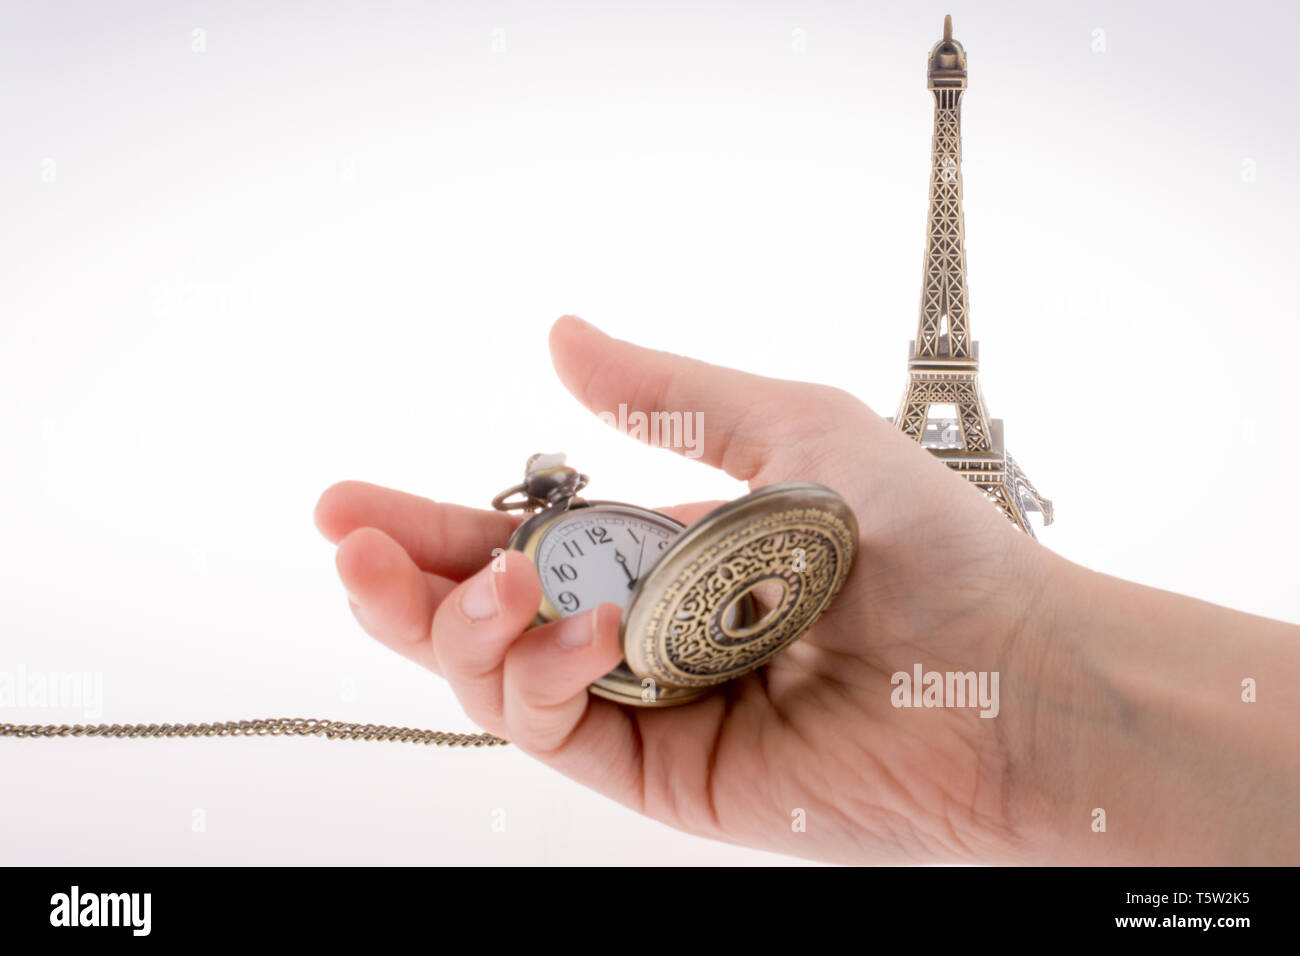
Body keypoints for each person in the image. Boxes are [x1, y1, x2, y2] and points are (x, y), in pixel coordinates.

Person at [314, 315, 1300, 865]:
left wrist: (1014, 660)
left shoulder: (605, 557)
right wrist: (1017, 746)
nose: (621, 567)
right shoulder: (562, 554)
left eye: (612, 555)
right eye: (588, 566)